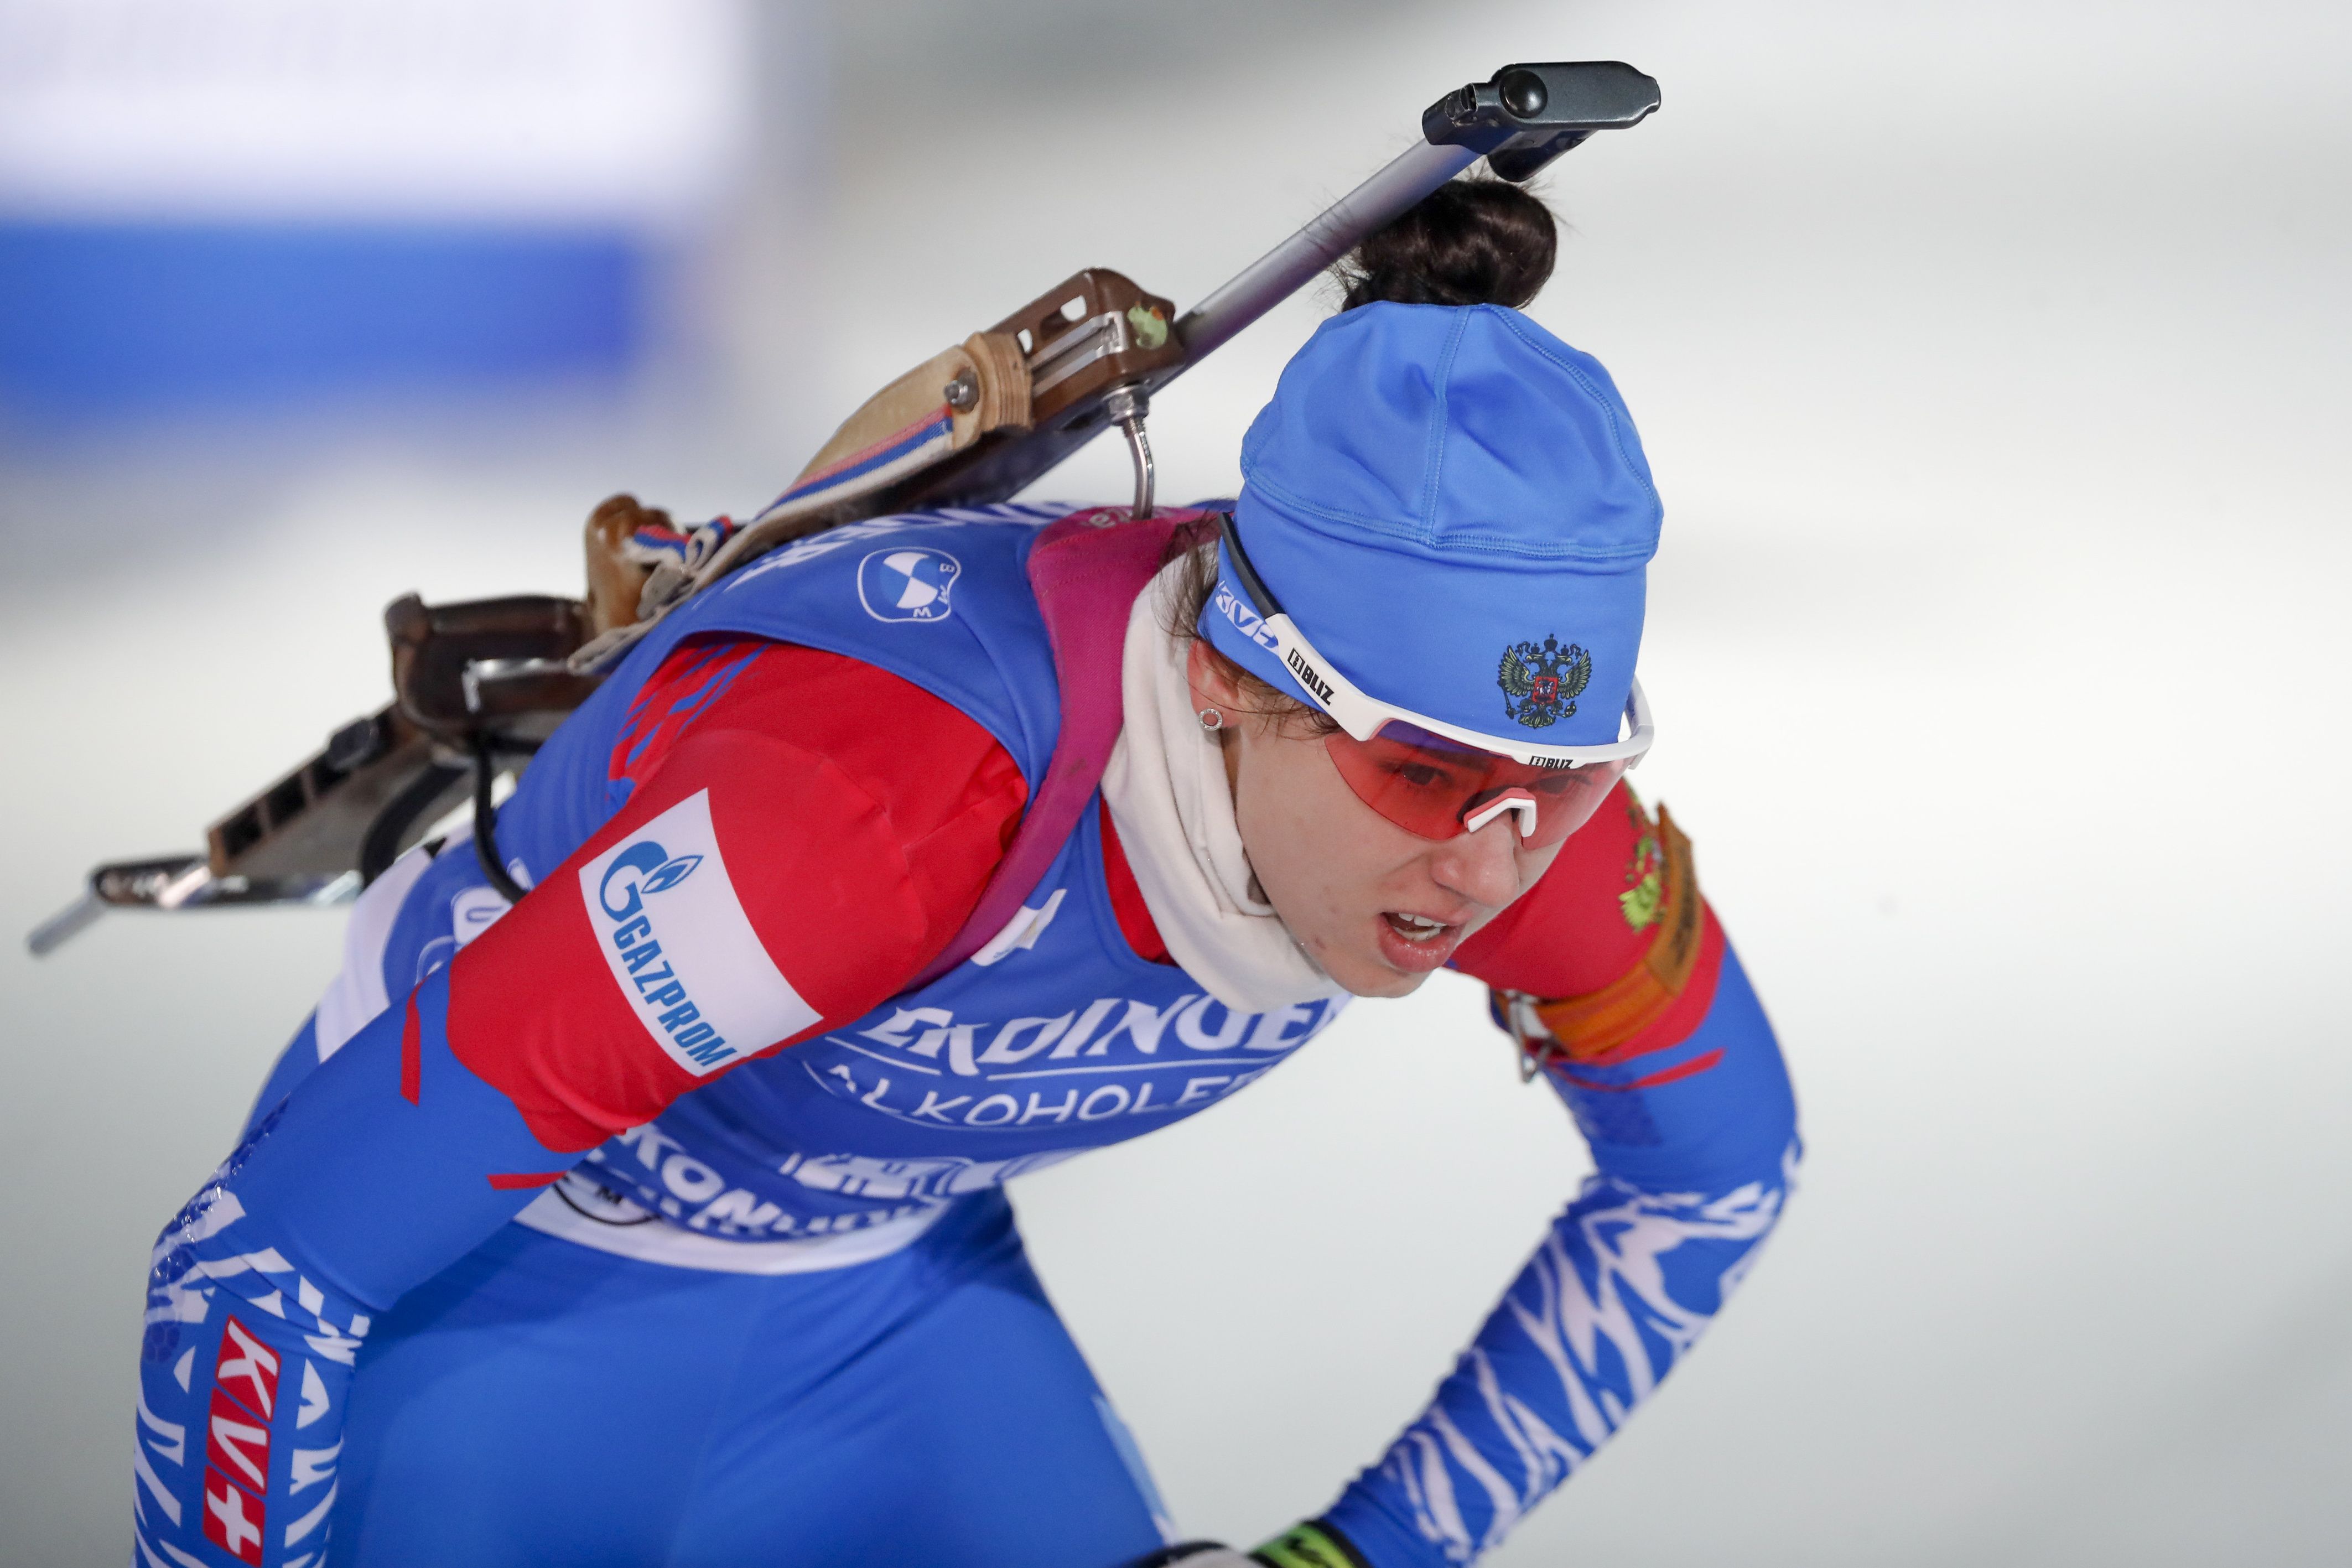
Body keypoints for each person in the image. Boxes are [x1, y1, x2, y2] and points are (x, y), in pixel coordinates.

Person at [131, 181, 1798, 1568]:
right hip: (497, 1280)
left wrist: (1367, 1552)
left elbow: (1716, 1179)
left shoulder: (1507, 826)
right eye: (1418, 771)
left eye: (1569, 778)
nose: (1491, 858)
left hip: (888, 1312)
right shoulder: (879, 806)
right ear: (1227, 676)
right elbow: (260, 1266)